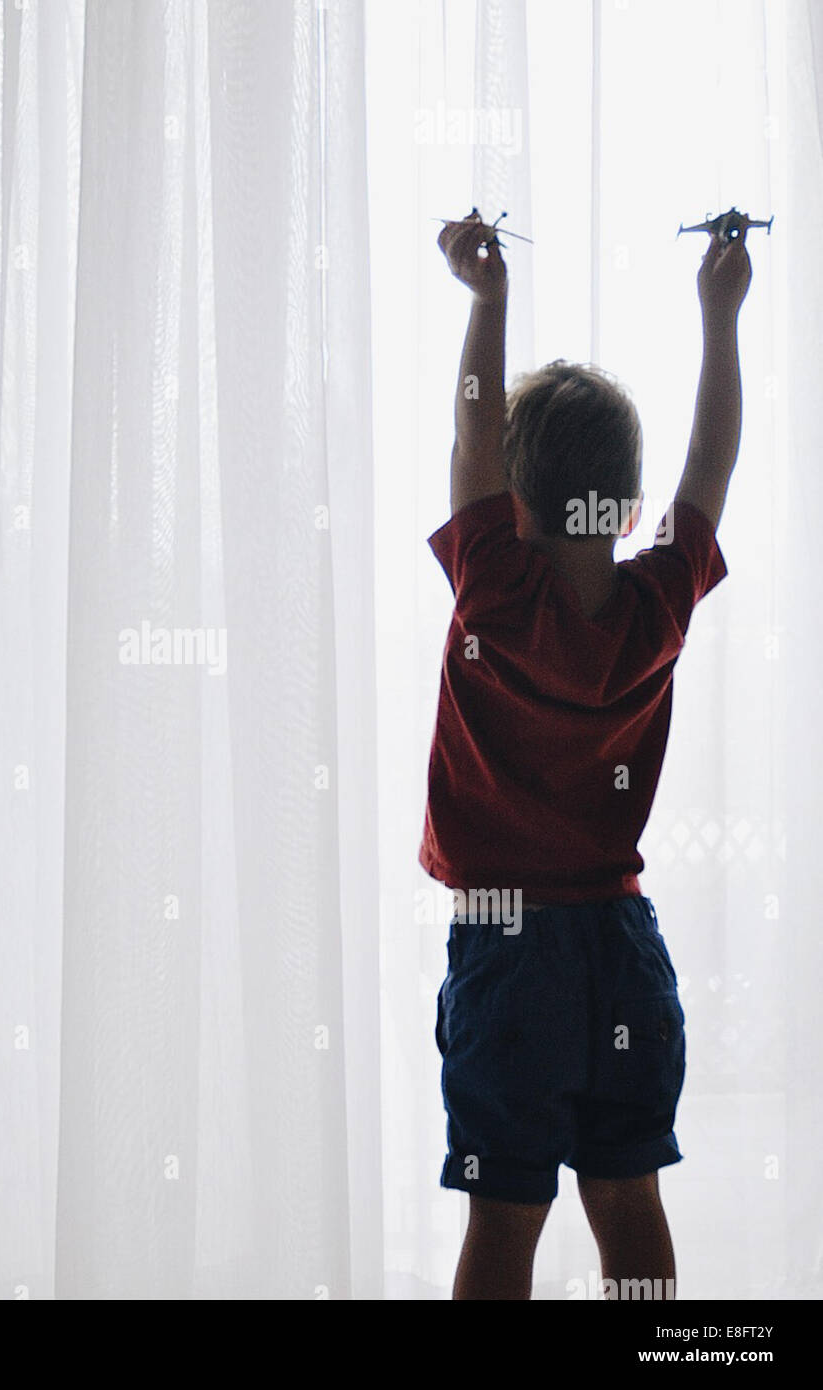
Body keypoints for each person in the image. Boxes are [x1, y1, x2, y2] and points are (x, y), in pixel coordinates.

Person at [423, 209, 752, 1300]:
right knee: (627, 1197)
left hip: (509, 948)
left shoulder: (496, 593)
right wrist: (720, 318)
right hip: (619, 942)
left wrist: (487, 302)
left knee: (505, 1213)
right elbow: (710, 464)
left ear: (514, 504)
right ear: (623, 502)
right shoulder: (653, 607)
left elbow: (472, 435)